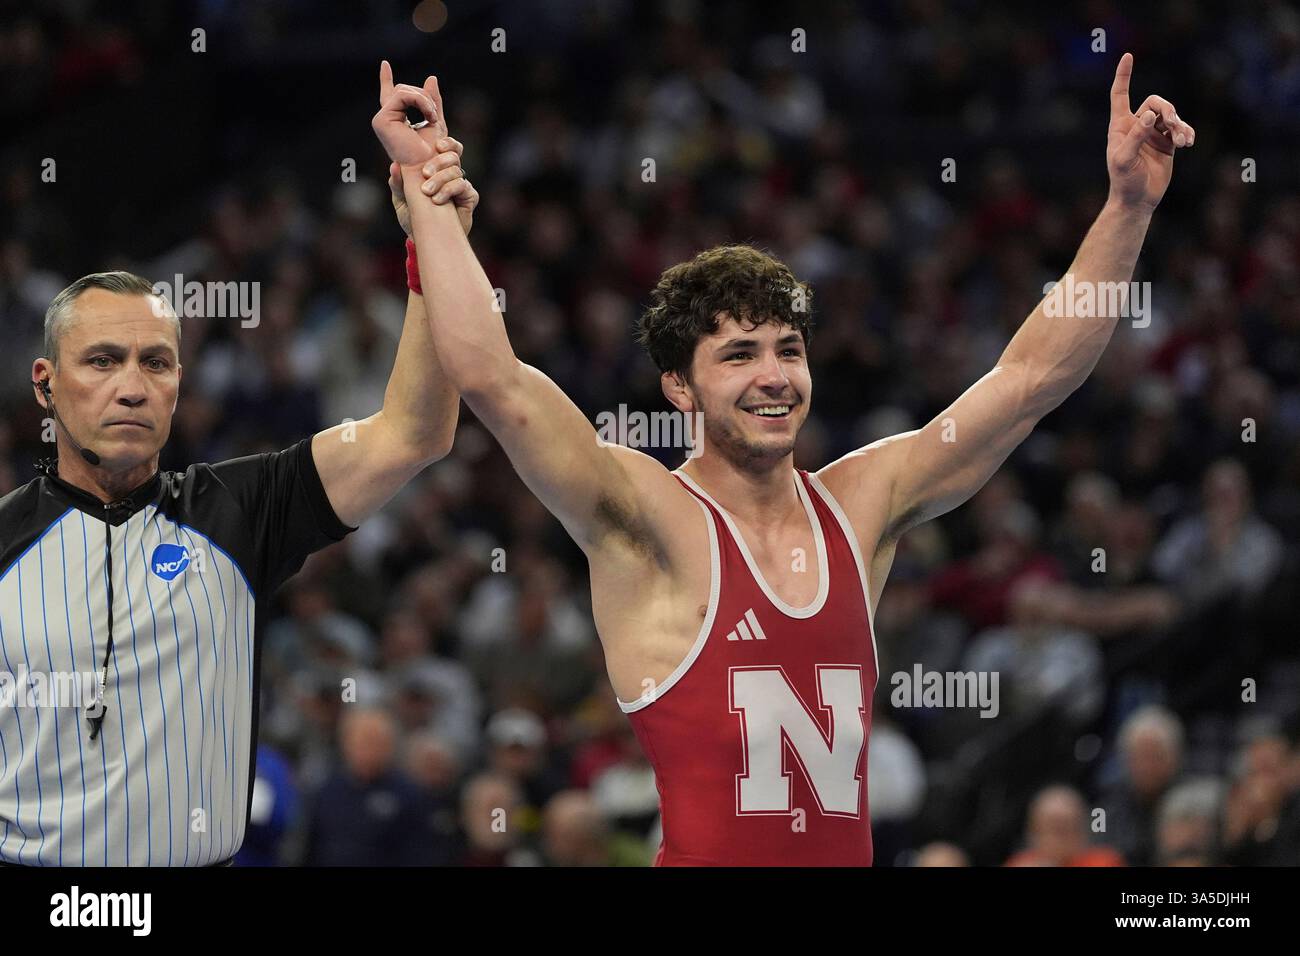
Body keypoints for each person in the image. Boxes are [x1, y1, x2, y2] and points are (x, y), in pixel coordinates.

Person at [379, 54, 1195, 865]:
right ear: (679, 387)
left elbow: (1028, 380)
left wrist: (1127, 206)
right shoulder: (644, 514)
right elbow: (495, 379)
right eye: (738, 355)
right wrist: (431, 209)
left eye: (789, 349)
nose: (774, 376)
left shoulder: (861, 502)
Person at [0, 67, 478, 866]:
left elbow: (417, 431)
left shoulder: (243, 508)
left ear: (180, 382)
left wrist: (432, 233)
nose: (130, 386)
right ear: (45, 384)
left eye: (155, 362)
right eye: (103, 361)